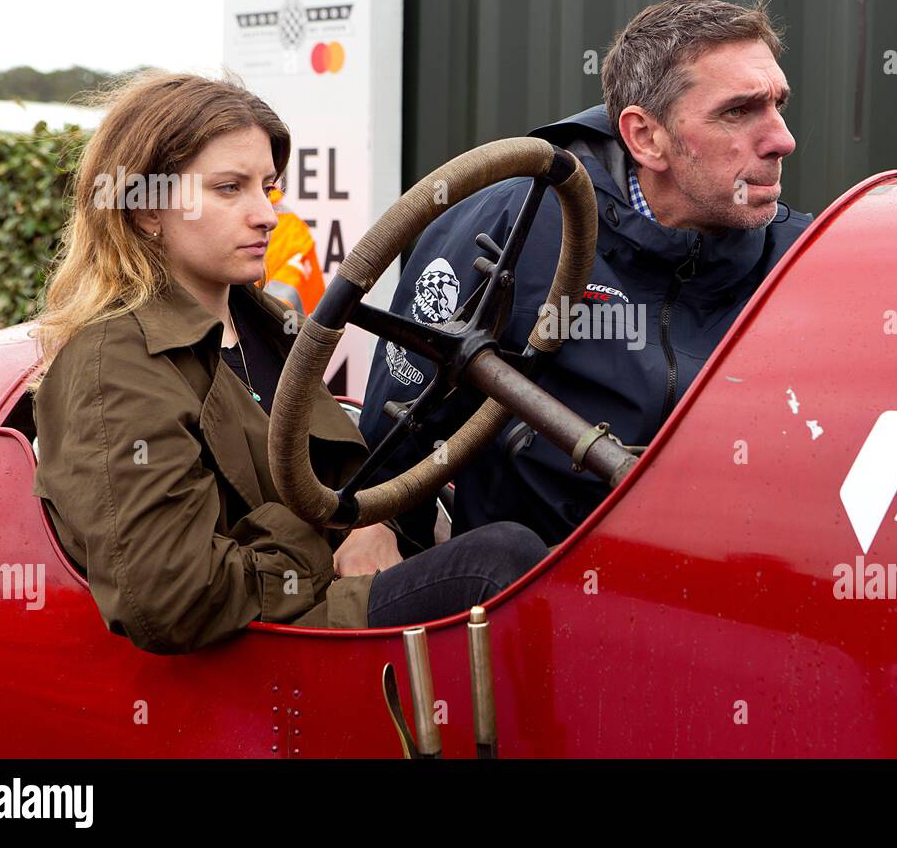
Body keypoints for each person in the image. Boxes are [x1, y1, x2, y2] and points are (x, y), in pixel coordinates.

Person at [30, 71, 548, 654]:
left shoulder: (269, 326)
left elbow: (333, 478)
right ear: (148, 210)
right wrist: (329, 536)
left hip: (325, 604)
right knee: (500, 560)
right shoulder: (114, 361)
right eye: (229, 188)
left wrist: (369, 521)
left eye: (267, 186)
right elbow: (166, 597)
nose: (267, 216)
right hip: (268, 647)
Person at [360, 0, 811, 549]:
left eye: (777, 104)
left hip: (732, 582)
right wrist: (376, 525)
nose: (782, 139)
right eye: (738, 112)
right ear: (646, 137)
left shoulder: (807, 257)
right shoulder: (514, 225)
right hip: (533, 589)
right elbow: (396, 427)